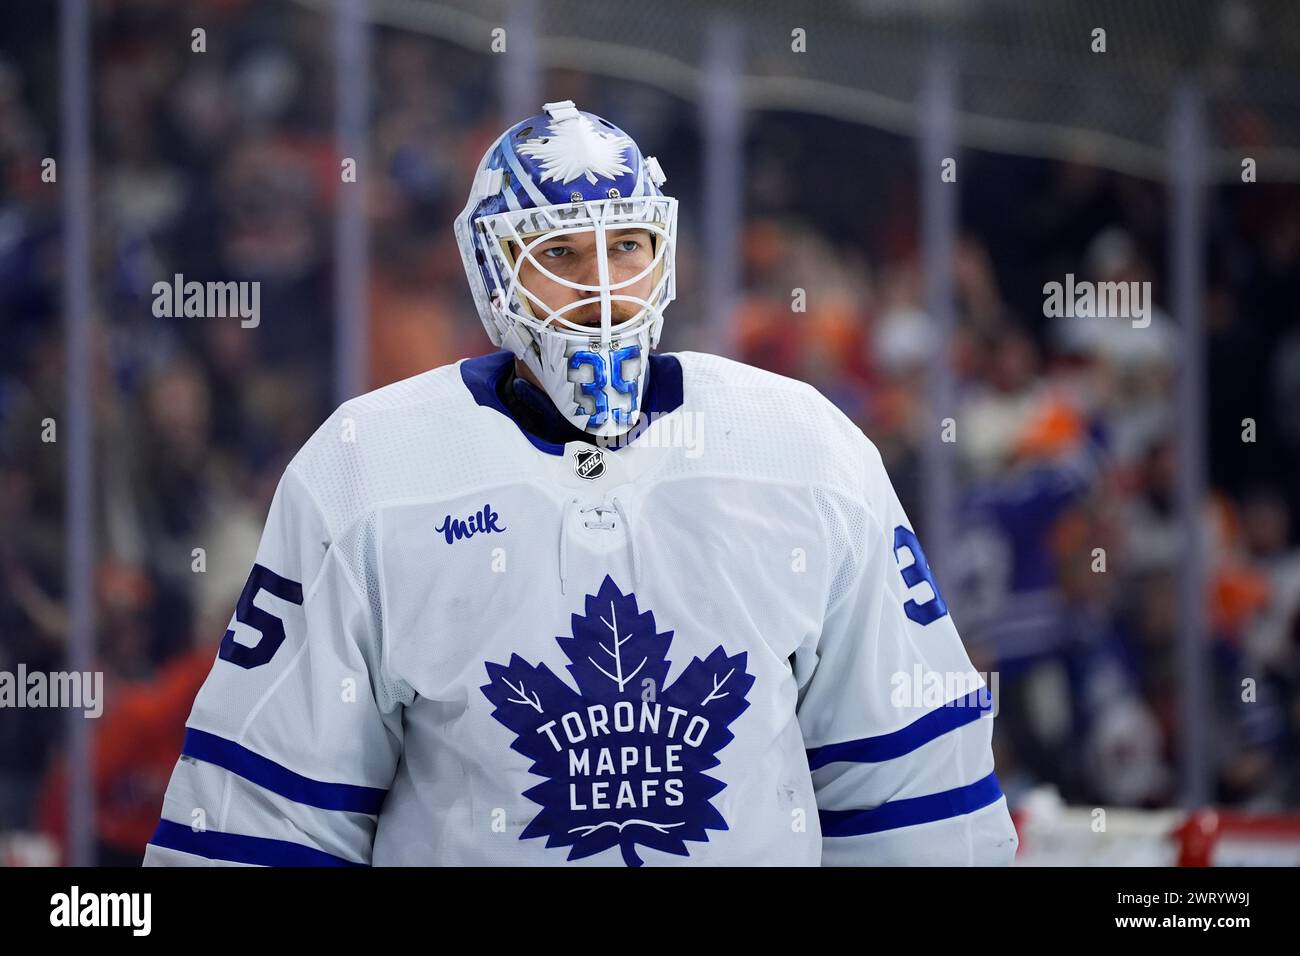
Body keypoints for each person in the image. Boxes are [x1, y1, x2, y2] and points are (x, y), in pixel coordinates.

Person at [144, 100, 1017, 866]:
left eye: (626, 246)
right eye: (561, 251)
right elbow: (264, 824)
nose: (602, 290)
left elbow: (914, 798)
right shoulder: (369, 471)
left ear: (664, 251)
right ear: (493, 272)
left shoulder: (805, 451)